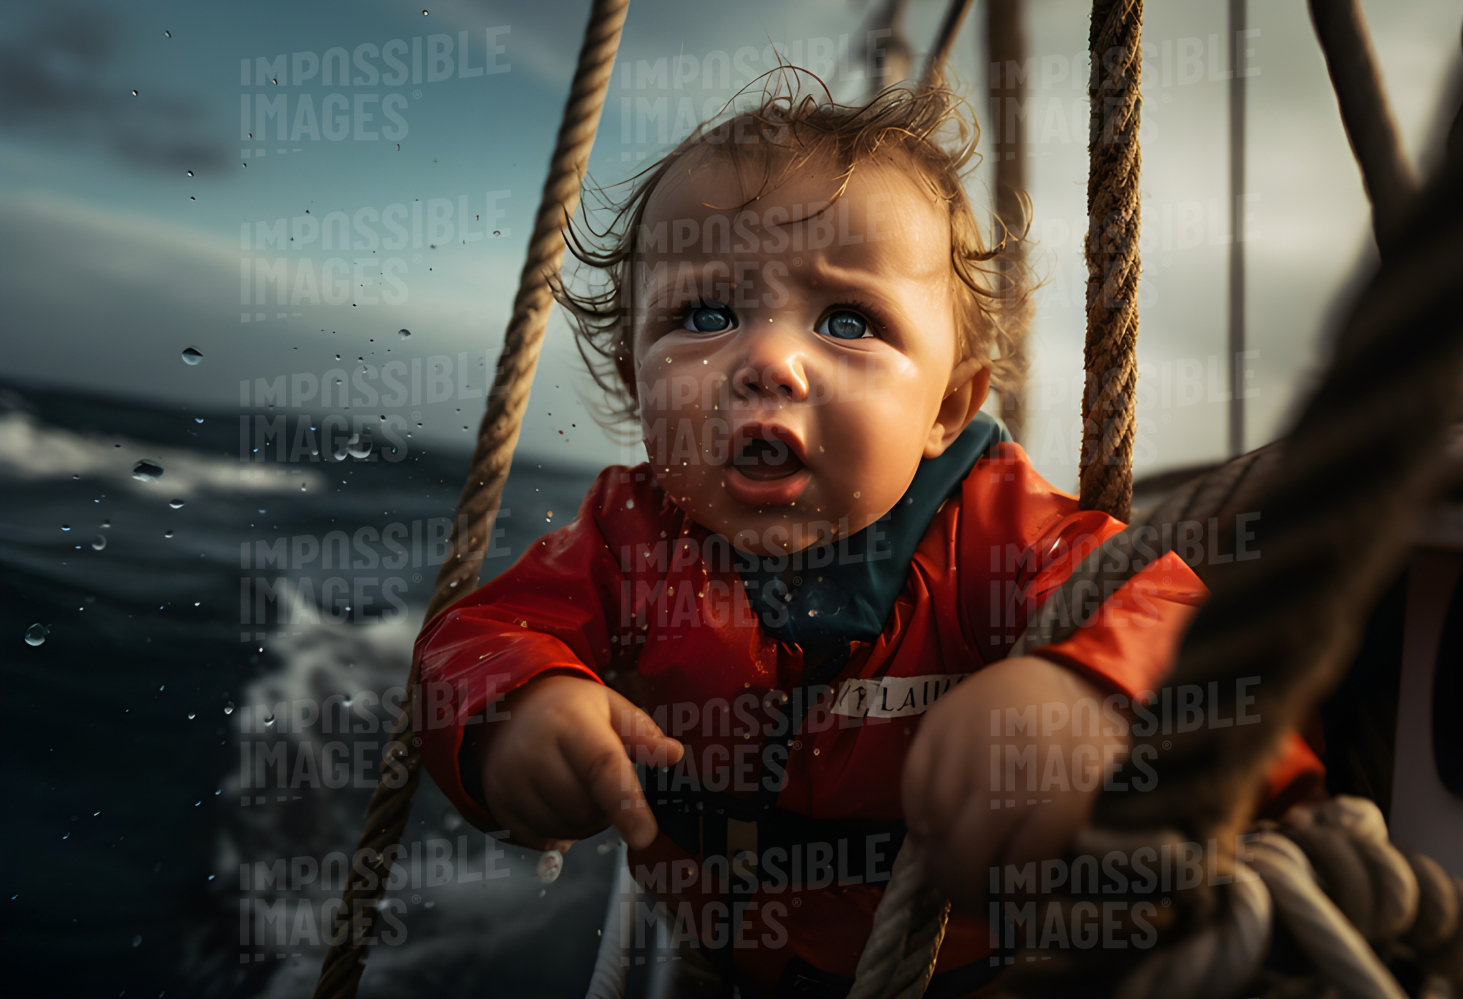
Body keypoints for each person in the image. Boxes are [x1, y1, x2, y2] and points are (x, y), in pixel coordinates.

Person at [412, 81, 1320, 995]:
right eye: (703, 316)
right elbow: (474, 641)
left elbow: (1185, 627)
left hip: (969, 971)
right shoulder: (626, 537)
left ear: (950, 405)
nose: (767, 361)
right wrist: (519, 712)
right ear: (633, 370)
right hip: (722, 962)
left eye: (847, 322)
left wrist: (1086, 692)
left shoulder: (998, 532)